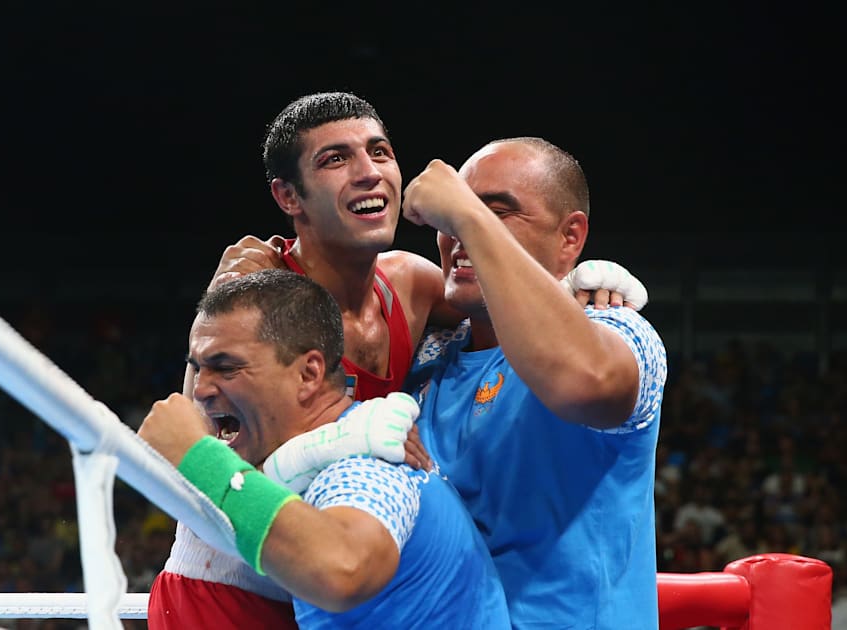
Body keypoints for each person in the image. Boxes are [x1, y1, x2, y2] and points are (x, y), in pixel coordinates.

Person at [154, 92, 645, 628]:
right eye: (335, 159)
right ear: (288, 196)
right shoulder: (260, 302)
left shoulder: (409, 284)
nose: (368, 173)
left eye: (380, 151)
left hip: (357, 584)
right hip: (242, 582)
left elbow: (498, 293)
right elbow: (195, 466)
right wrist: (358, 434)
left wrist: (577, 283)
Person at [137, 269, 510, 628]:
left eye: (226, 368)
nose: (200, 389)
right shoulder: (340, 444)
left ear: (309, 374)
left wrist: (199, 458)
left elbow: (343, 570)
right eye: (198, 369)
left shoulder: (366, 468)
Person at [400, 137, 668, 627]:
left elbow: (584, 381)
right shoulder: (421, 357)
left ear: (570, 238)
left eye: (496, 211)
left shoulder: (621, 331)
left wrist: (466, 214)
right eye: (454, 215)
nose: (459, 231)